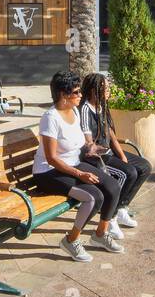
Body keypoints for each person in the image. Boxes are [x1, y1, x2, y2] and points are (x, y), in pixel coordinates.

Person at [31, 71, 122, 260]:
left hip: (73, 163)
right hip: (48, 172)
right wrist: (80, 174)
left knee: (112, 186)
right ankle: (71, 240)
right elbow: (51, 158)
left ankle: (100, 235)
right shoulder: (51, 118)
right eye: (77, 92)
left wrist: (92, 148)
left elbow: (78, 144)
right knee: (93, 196)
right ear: (64, 95)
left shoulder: (73, 110)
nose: (81, 95)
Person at [79, 73, 151, 235]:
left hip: (108, 152)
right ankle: (109, 218)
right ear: (92, 90)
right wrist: (100, 150)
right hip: (95, 158)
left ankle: (121, 208)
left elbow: (110, 133)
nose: (108, 91)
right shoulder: (84, 109)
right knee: (128, 173)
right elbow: (88, 143)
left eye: (108, 88)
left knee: (144, 167)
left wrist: (121, 154)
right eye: (104, 88)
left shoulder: (101, 105)